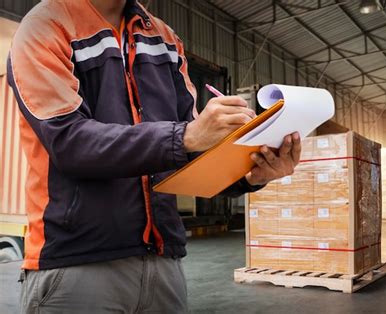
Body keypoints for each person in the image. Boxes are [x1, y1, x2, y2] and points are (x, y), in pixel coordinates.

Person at [7, 0, 301, 313]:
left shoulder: (164, 38)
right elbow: (70, 143)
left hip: (163, 267)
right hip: (77, 267)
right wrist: (187, 136)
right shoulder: (47, 24)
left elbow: (189, 152)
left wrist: (250, 173)